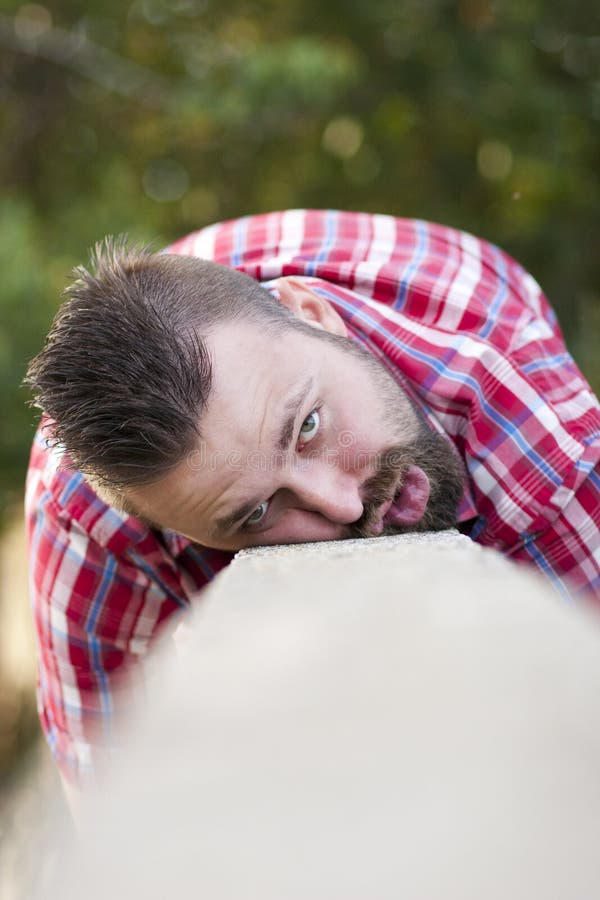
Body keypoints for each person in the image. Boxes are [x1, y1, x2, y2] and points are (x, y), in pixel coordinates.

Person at [24, 209, 600, 787]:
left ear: (316, 315)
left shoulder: (528, 422)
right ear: (171, 527)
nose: (342, 504)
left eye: (307, 427)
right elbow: (111, 802)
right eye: (255, 513)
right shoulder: (83, 517)